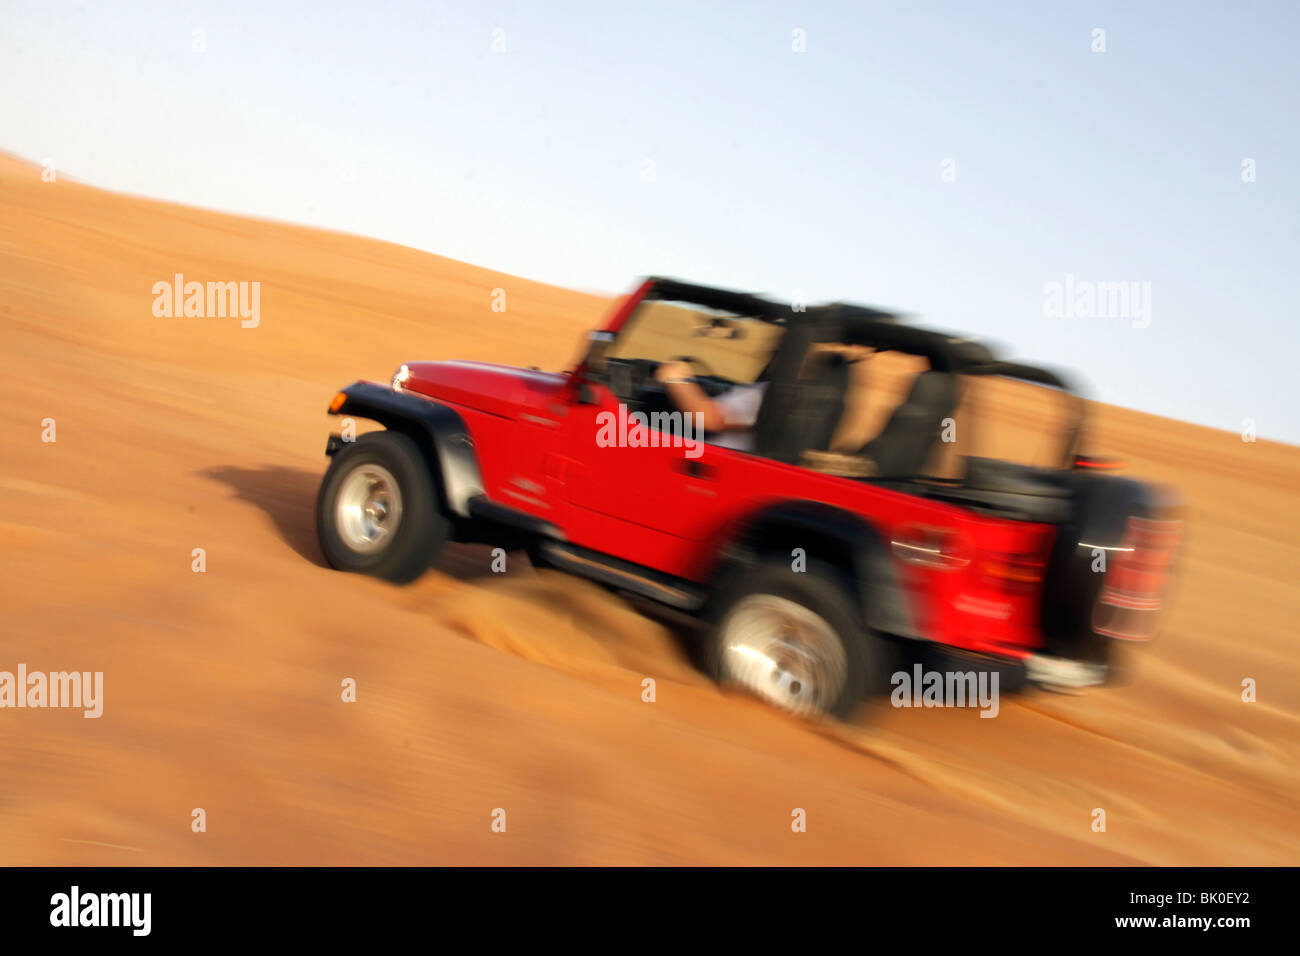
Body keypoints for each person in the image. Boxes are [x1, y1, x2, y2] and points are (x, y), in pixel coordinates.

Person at [655, 343, 873, 453]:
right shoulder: (828, 409)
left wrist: (675, 379)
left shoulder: (774, 394)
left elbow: (706, 418)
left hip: (714, 463)